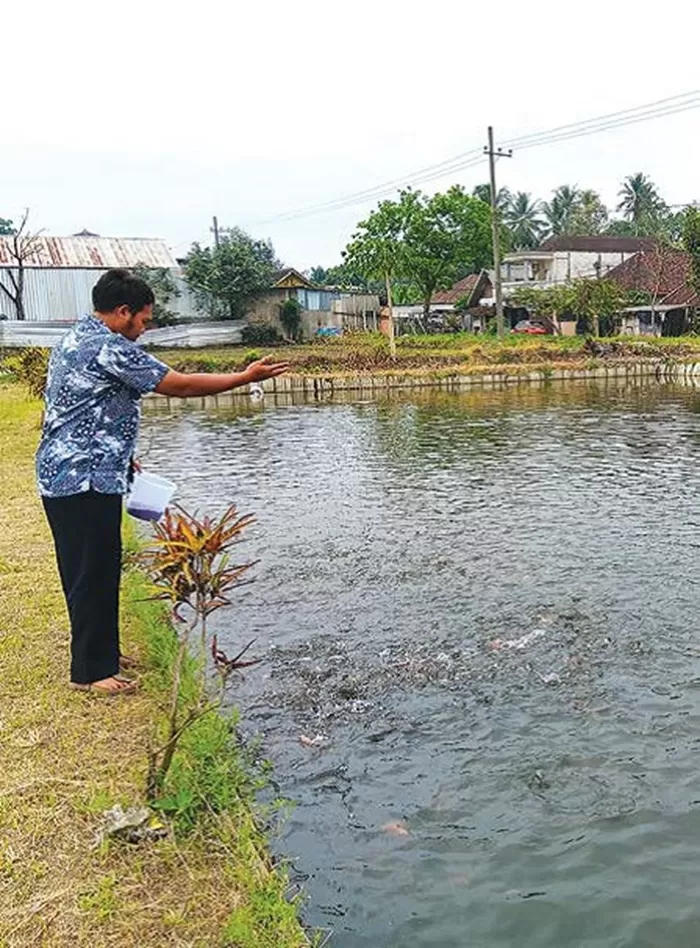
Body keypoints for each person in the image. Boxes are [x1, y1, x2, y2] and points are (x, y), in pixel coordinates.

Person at [37, 268, 289, 696]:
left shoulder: (75, 337)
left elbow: (77, 406)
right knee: (91, 571)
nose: (146, 327)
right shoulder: (110, 347)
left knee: (90, 567)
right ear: (123, 311)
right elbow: (181, 386)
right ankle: (91, 673)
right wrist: (244, 377)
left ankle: (103, 652)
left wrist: (119, 452)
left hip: (70, 470)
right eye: (144, 319)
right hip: (83, 479)